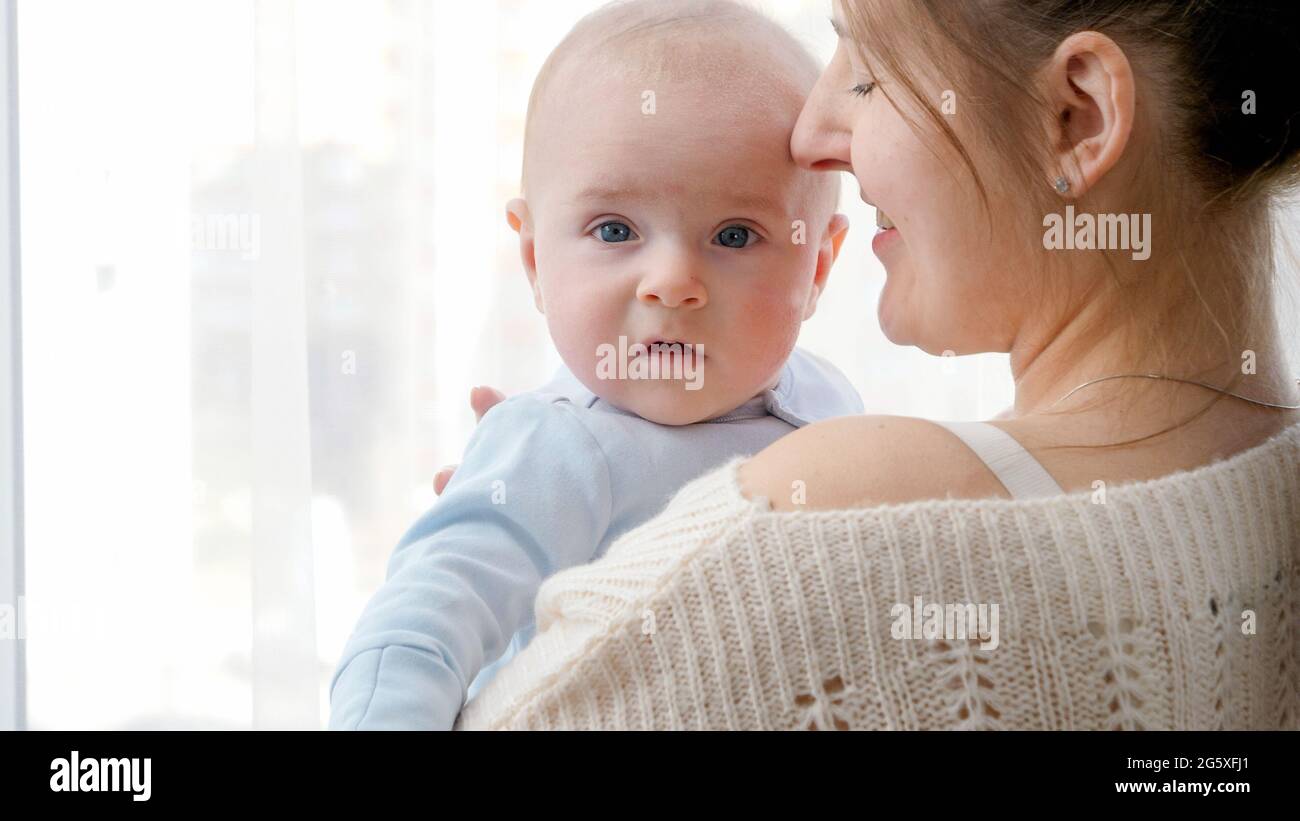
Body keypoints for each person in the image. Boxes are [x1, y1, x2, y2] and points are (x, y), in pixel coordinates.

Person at [451, 0, 1300, 729]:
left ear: (1079, 116)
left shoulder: (830, 521)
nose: (812, 133)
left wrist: (520, 591)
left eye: (868, 68)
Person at [328, 0, 863, 730]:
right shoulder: (552, 448)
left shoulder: (834, 403)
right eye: (615, 229)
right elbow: (416, 627)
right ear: (536, 259)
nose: (672, 280)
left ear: (819, 264)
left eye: (736, 234)